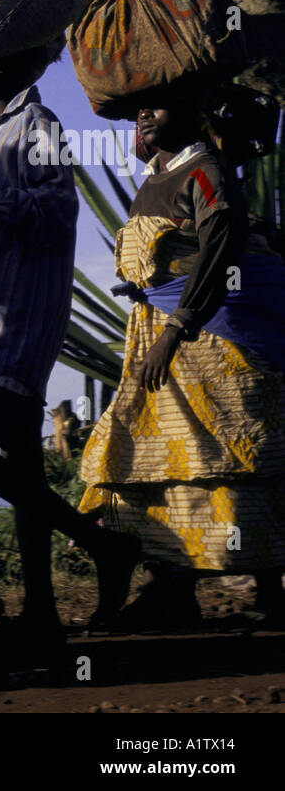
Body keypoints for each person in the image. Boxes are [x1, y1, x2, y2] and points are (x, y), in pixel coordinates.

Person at [0, 45, 138, 646]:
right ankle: (42, 609)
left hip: (18, 316)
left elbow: (56, 206)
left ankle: (102, 547)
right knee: (20, 466)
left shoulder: (38, 126)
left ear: (6, 63)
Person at [78, 98, 285, 629]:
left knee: (239, 455)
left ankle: (270, 592)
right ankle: (171, 588)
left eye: (159, 107)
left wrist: (177, 328)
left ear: (194, 112)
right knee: (166, 465)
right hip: (164, 340)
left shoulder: (204, 170)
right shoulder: (157, 177)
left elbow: (222, 244)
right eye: (140, 109)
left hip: (210, 343)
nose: (145, 116)